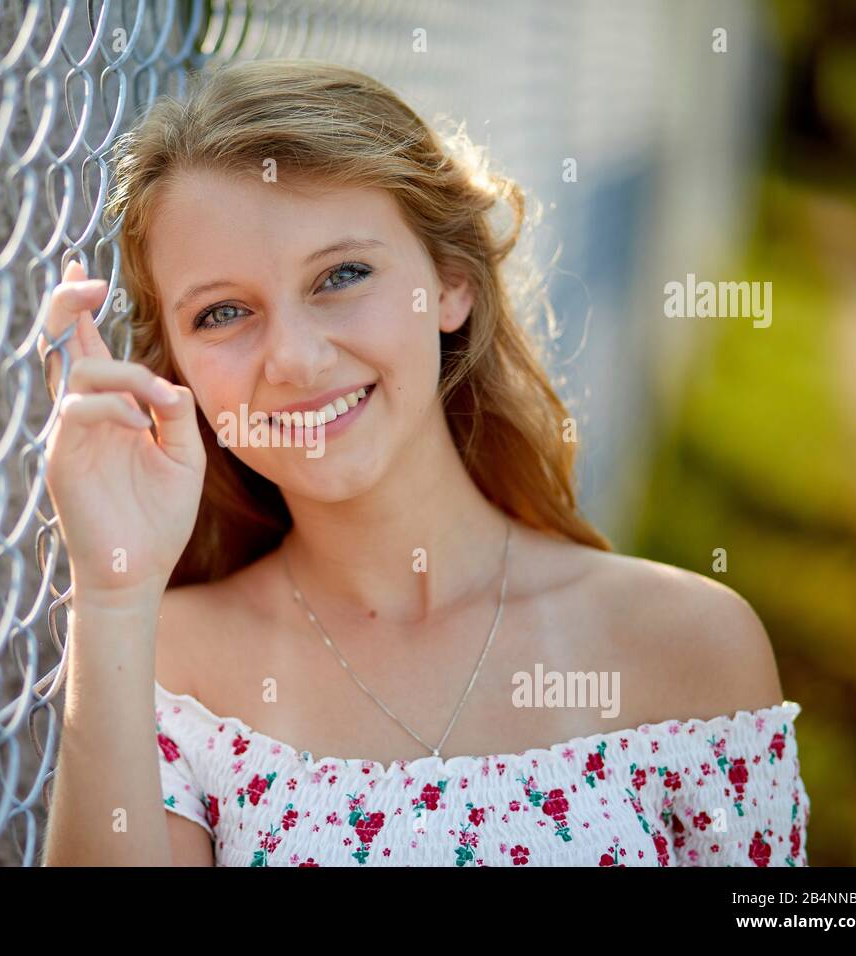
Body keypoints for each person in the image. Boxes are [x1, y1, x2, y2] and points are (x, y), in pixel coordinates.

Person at [41, 60, 809, 867]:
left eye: (342, 275)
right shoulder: (166, 672)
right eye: (223, 313)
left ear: (452, 283)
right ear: (177, 372)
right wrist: (114, 588)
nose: (296, 360)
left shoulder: (689, 645)